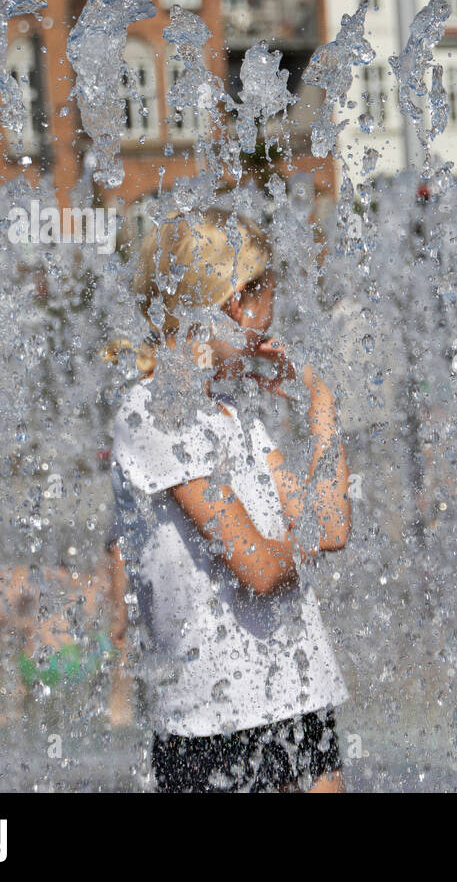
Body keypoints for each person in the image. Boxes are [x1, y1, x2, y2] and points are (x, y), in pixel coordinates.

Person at [110, 213, 352, 792]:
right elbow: (259, 569)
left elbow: (335, 524)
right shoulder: (151, 413)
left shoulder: (238, 421)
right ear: (236, 302)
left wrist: (321, 406)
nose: (271, 324)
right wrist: (293, 547)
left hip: (297, 695)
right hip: (209, 719)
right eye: (267, 301)